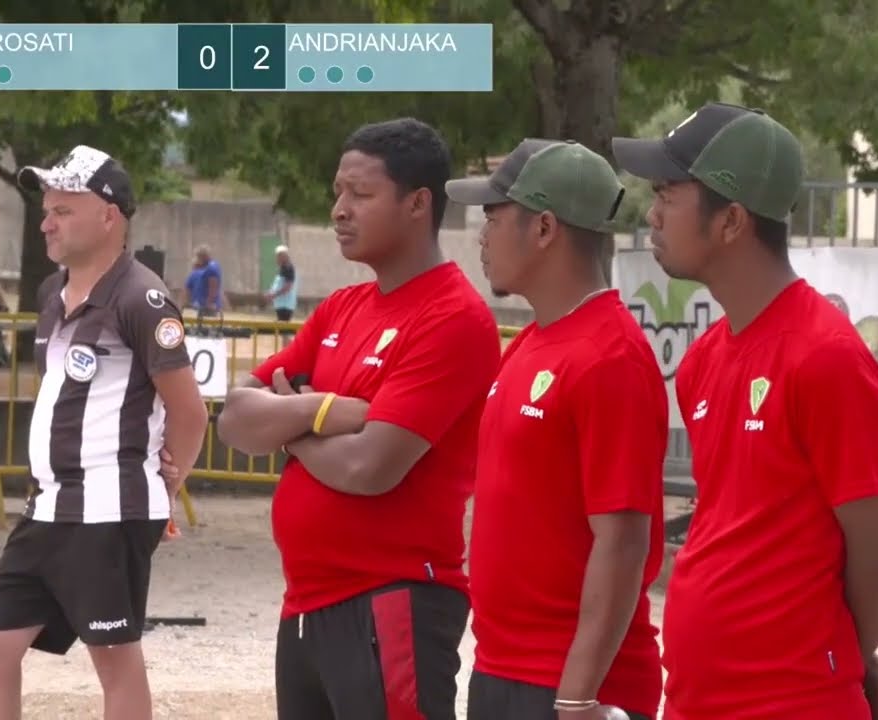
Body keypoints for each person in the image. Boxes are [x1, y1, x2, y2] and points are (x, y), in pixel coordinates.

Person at [611, 101, 878, 720]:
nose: (650, 215)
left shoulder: (826, 357)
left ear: (731, 220)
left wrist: (840, 662)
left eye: (667, 194)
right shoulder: (706, 357)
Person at [216, 118, 501, 719]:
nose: (340, 209)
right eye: (338, 192)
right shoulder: (342, 307)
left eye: (360, 194)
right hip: (305, 604)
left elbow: (372, 467)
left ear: (418, 203)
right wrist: (320, 410)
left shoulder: (453, 318)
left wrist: (289, 428)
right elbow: (235, 418)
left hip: (392, 597)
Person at [0, 145, 210, 720]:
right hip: (48, 506)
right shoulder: (53, 294)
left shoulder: (141, 297)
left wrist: (166, 488)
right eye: (45, 209)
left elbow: (189, 411)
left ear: (109, 214)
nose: (46, 221)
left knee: (113, 657)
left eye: (63, 209)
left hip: (108, 508)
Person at [446, 139, 667, 720]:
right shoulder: (530, 344)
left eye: (493, 219)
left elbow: (621, 541)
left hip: (573, 686)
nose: (482, 237)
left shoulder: (610, 354)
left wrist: (577, 696)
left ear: (544, 228)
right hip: (504, 669)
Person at [183, 244, 223, 318]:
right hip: (202, 307)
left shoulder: (212, 268)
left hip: (208, 309)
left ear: (203, 257)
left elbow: (213, 287)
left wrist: (209, 304)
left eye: (199, 257)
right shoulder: (210, 268)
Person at [266, 244, 299, 322]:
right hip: (281, 304)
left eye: (280, 256)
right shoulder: (283, 268)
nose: (277, 258)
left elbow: (288, 286)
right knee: (281, 328)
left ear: (285, 256)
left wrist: (274, 295)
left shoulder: (288, 268)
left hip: (285, 305)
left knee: (283, 329)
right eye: (277, 256)